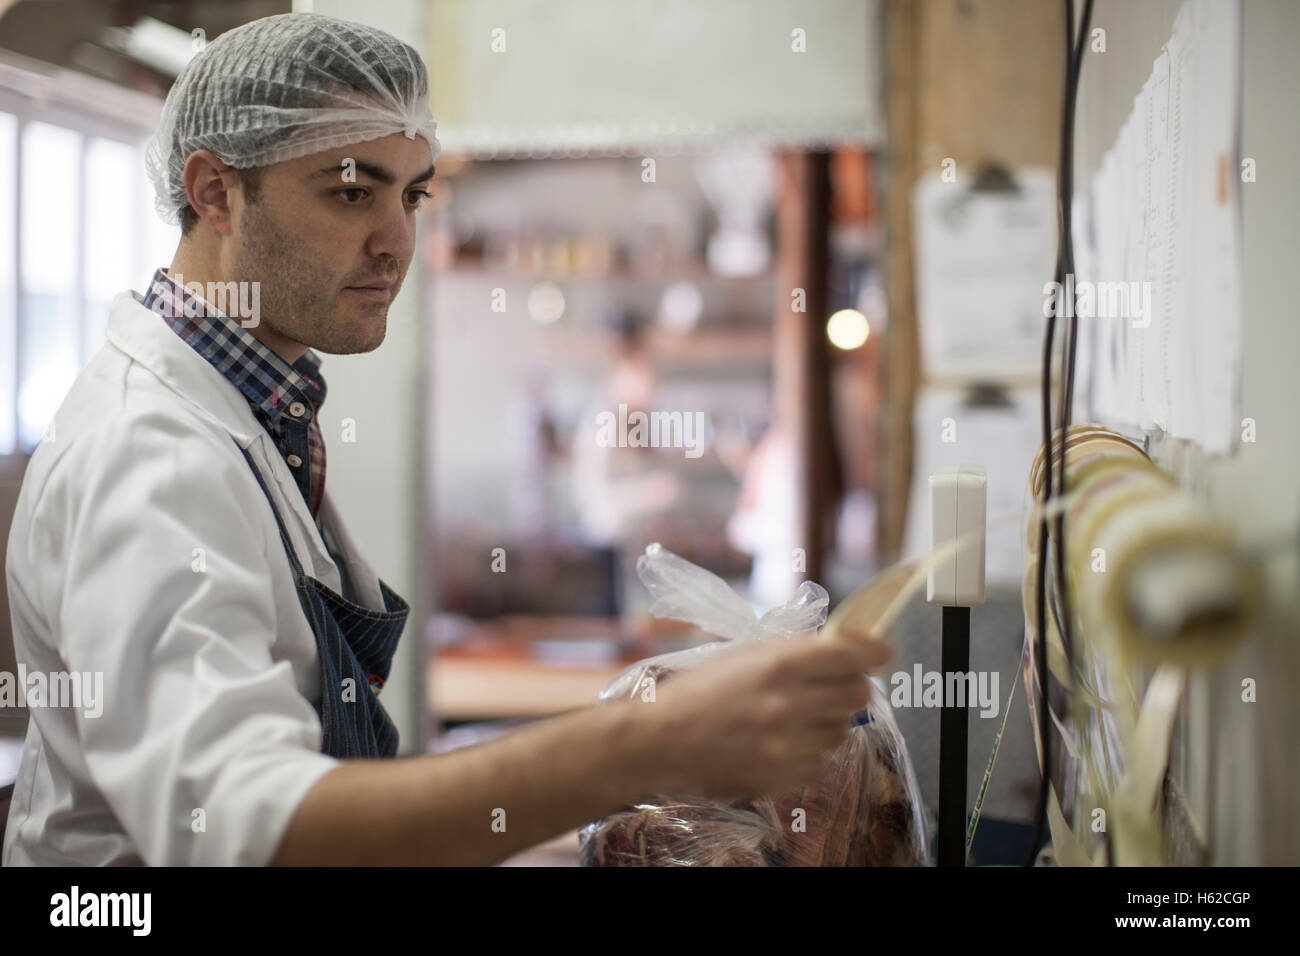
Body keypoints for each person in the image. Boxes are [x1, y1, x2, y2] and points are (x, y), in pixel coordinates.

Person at [2, 12, 893, 866]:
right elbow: (250, 834)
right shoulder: (152, 455)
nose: (397, 241)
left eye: (413, 194)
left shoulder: (257, 409)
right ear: (212, 192)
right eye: (352, 191)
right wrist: (636, 746)